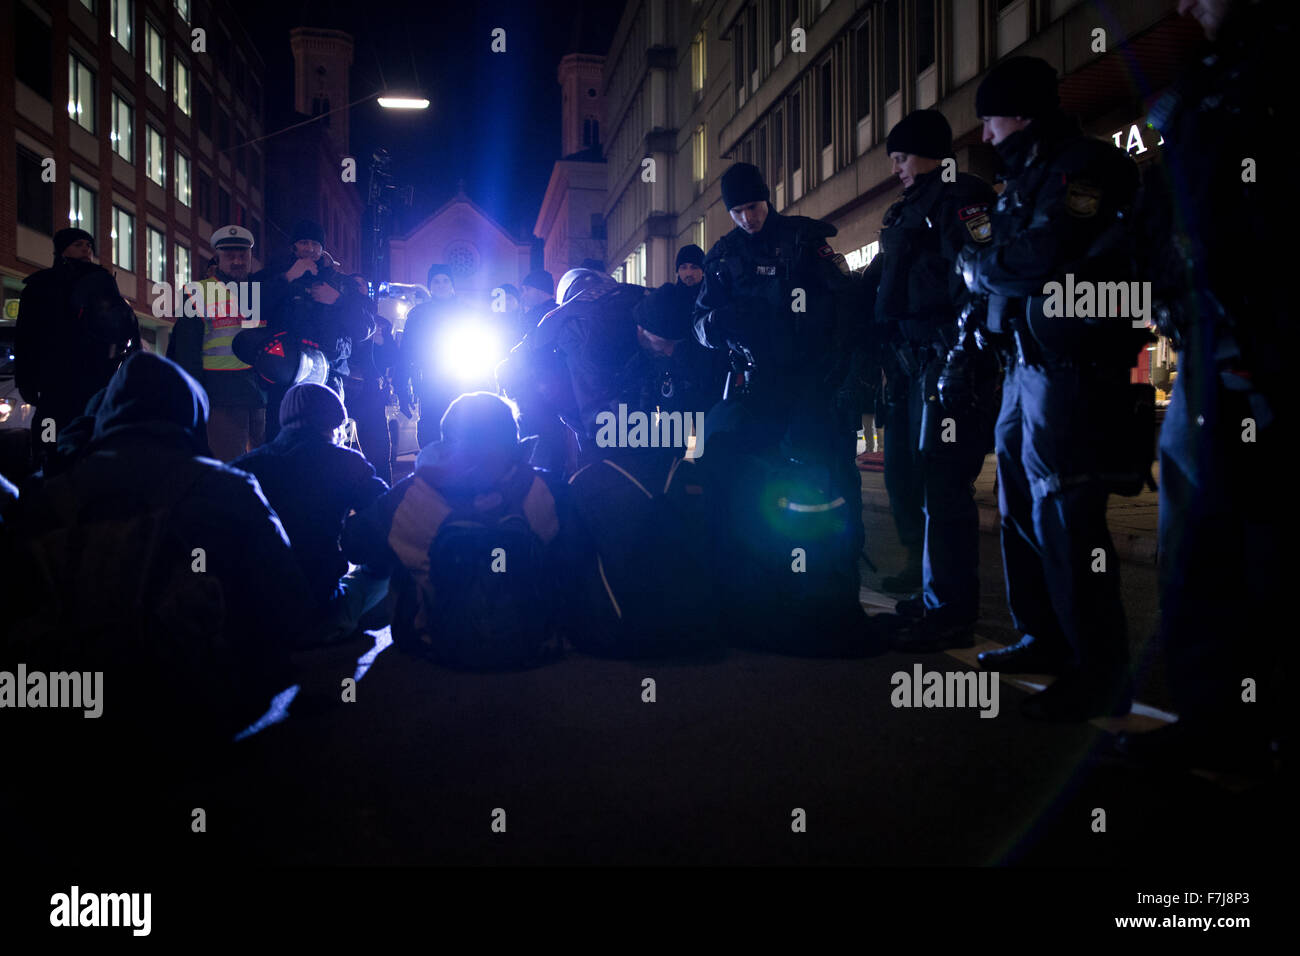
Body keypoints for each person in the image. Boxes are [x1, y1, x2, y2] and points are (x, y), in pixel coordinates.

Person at [1116, 0, 1290, 770]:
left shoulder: (1268, 73)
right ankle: (1215, 715)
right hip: (1205, 343)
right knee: (1197, 541)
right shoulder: (1203, 86)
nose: (1184, 6)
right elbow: (1169, 215)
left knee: (1266, 541)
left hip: (1264, 342)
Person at [952, 56, 1145, 720]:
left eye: (992, 116)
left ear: (1023, 114)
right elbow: (1006, 253)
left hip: (1067, 367)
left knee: (1065, 514)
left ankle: (1099, 666)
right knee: (1019, 508)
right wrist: (988, 272)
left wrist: (982, 273)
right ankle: (1045, 637)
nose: (987, 129)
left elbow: (1044, 253)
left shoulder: (1082, 168)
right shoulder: (1027, 176)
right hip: (1022, 367)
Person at [693, 162, 877, 652]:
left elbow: (844, 300)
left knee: (831, 478)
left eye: (753, 207)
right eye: (737, 211)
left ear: (766, 200)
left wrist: (837, 363)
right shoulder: (724, 256)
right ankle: (774, 583)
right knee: (758, 483)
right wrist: (721, 321)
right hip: (758, 387)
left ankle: (837, 585)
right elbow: (700, 327)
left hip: (812, 383)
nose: (748, 218)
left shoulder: (801, 241)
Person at [861, 110, 998, 651]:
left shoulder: (959, 199)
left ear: (927, 154)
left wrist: (962, 360)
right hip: (909, 364)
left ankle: (950, 610)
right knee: (906, 479)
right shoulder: (905, 210)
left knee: (943, 488)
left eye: (901, 157)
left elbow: (978, 281)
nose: (895, 168)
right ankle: (930, 588)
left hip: (947, 362)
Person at [341, 391, 575, 669]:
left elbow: (354, 546)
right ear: (512, 436)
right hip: (532, 642)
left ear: (445, 441)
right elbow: (576, 556)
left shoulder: (410, 494)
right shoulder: (546, 488)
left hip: (431, 645)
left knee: (381, 565)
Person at [233, 383, 390, 642]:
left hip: (253, 613)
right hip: (319, 610)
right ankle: (342, 623)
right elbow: (389, 514)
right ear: (335, 423)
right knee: (388, 575)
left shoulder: (245, 465)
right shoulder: (347, 462)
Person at [14, 227, 139, 467]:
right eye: (78, 244)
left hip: (95, 371)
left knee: (88, 425)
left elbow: (123, 324)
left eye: (88, 245)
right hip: (55, 373)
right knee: (51, 424)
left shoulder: (101, 280)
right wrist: (26, 378)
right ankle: (47, 463)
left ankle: (84, 470)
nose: (86, 250)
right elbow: (27, 334)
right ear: (62, 250)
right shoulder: (41, 285)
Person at [256, 220, 375, 439]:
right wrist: (288, 277)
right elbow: (251, 308)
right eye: (303, 242)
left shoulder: (342, 283)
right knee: (283, 445)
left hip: (329, 377)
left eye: (314, 244)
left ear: (322, 248)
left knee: (327, 446)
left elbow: (365, 328)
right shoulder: (275, 274)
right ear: (294, 246)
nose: (309, 249)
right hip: (285, 376)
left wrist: (338, 300)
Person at [167, 224, 269, 462]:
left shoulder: (262, 292)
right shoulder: (197, 293)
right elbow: (186, 354)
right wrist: (196, 401)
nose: (237, 261)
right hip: (221, 399)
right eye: (229, 256)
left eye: (242, 255)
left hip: (259, 397)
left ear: (250, 256)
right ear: (218, 257)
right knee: (228, 467)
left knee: (263, 471)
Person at [341, 274, 399, 484]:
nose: (359, 288)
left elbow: (392, 358)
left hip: (372, 393)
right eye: (354, 285)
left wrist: (383, 341)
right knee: (345, 445)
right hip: (346, 391)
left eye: (362, 284)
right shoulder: (340, 314)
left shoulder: (381, 323)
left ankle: (383, 493)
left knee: (379, 448)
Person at [400, 263, 460, 448]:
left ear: (452, 284)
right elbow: (406, 352)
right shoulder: (418, 314)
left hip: (461, 378)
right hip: (429, 381)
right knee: (431, 432)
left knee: (460, 428)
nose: (441, 285)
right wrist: (402, 387)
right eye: (436, 281)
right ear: (430, 285)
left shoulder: (466, 312)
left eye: (445, 281)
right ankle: (431, 471)